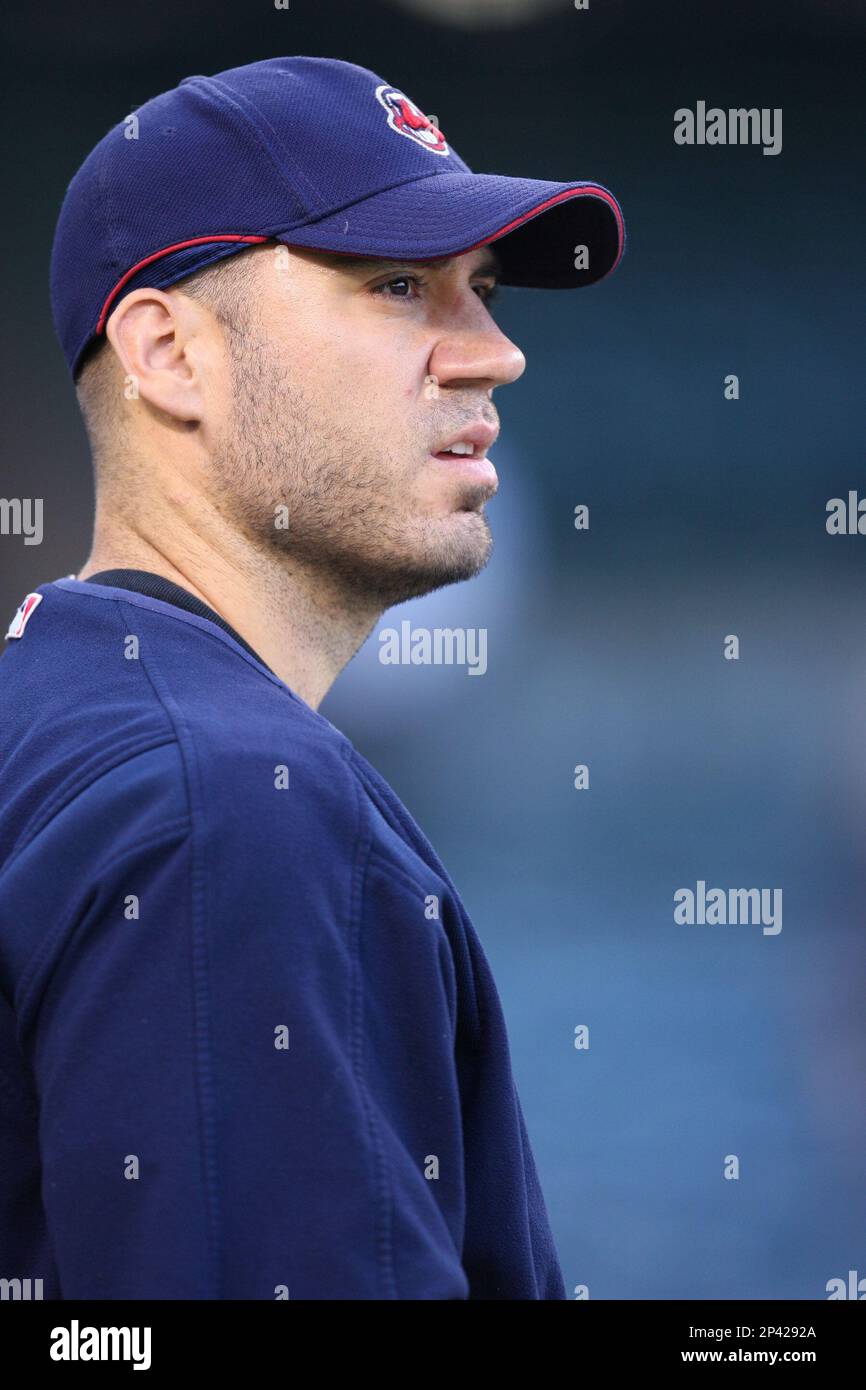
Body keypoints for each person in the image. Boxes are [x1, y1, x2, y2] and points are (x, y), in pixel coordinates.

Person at [0, 55, 625, 1299]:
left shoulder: (59, 725)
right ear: (168, 353)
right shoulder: (231, 801)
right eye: (397, 284)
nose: (492, 353)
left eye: (483, 290)